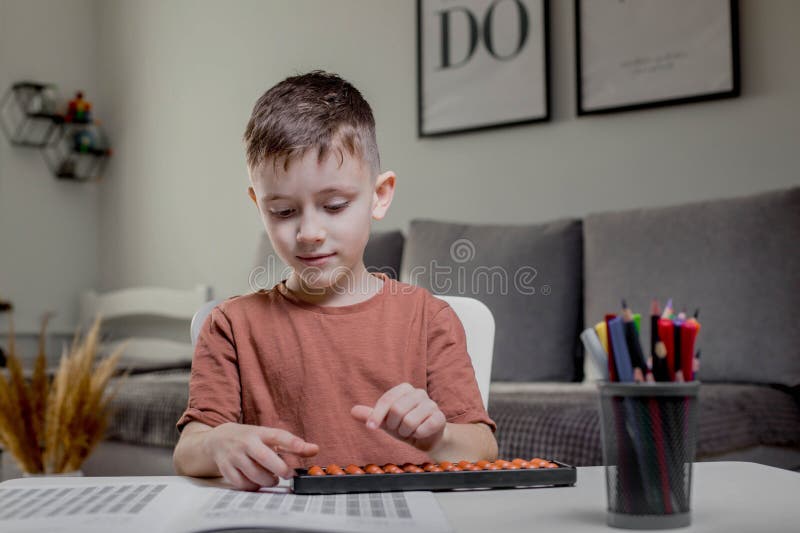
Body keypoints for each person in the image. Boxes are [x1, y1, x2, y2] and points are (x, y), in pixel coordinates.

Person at [173, 71, 497, 490]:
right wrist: (217, 443)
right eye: (283, 212)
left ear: (379, 195)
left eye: (334, 205)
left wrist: (441, 437)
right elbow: (188, 449)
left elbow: (483, 446)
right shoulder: (230, 326)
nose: (308, 232)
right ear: (258, 204)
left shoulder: (428, 318)